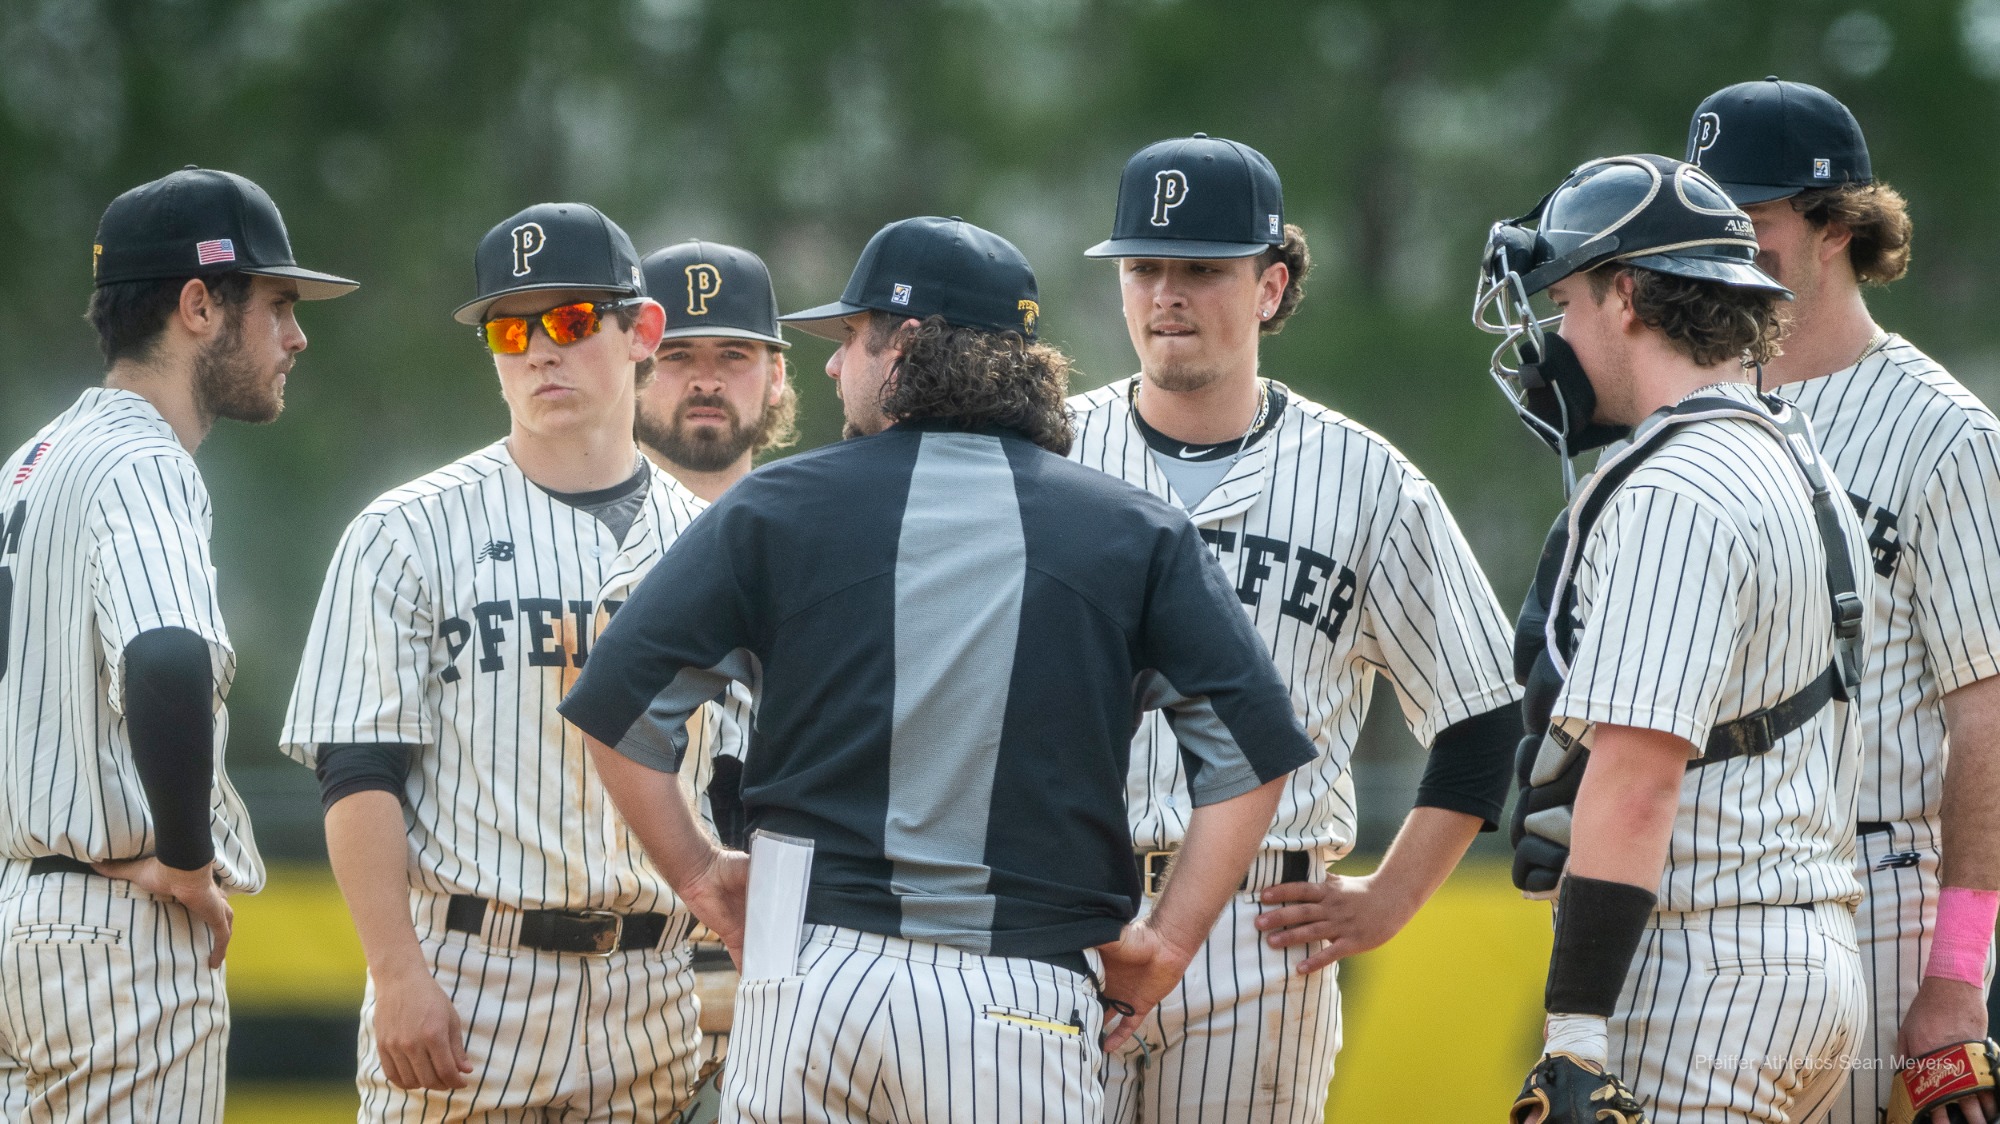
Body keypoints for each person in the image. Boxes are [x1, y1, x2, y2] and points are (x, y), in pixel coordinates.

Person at [556, 215, 1318, 1124]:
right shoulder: (1137, 531)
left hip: (809, 979)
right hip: (1021, 1001)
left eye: (850, 337)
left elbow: (615, 710)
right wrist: (1169, 944)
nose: (835, 367)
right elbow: (1253, 756)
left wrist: (700, 877)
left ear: (906, 342)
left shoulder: (777, 506)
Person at [1067, 133, 1523, 1124]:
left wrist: (1391, 895)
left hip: (1260, 932)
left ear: (1270, 287)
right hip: (1068, 911)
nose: (1166, 295)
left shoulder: (1365, 478)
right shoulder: (1050, 451)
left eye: (1203, 270)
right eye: (1143, 268)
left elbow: (1483, 711)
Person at [280, 202, 710, 1120]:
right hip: (473, 976)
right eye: (510, 330)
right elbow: (356, 768)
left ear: (643, 332)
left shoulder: (715, 541)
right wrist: (396, 972)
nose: (539, 351)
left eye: (570, 320)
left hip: (655, 990)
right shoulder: (407, 530)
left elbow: (745, 783)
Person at [1476, 153, 1871, 1123]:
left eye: (1564, 303)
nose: (1557, 335)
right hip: (1803, 954)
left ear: (1623, 296)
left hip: (1705, 967)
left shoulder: (1675, 489)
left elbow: (1638, 775)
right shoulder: (1791, 454)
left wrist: (1574, 1031)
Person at [0, 166, 354, 1121]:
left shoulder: (29, 465)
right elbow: (165, 656)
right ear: (199, 305)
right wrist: (190, 862)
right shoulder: (145, 461)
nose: (296, 335)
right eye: (277, 304)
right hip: (115, 933)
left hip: (20, 918)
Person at [1687, 77, 2000, 1124]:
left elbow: (1987, 719)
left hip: (1874, 888)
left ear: (1835, 225)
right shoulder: (1688, 410)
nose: (1723, 247)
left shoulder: (1945, 435)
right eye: (1708, 219)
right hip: (1698, 889)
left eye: (1750, 219)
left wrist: (1955, 975)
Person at [636, 239, 797, 502]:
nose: (707, 382)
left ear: (776, 376)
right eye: (676, 355)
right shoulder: (579, 526)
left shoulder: (808, 524)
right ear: (630, 375)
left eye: (733, 354)